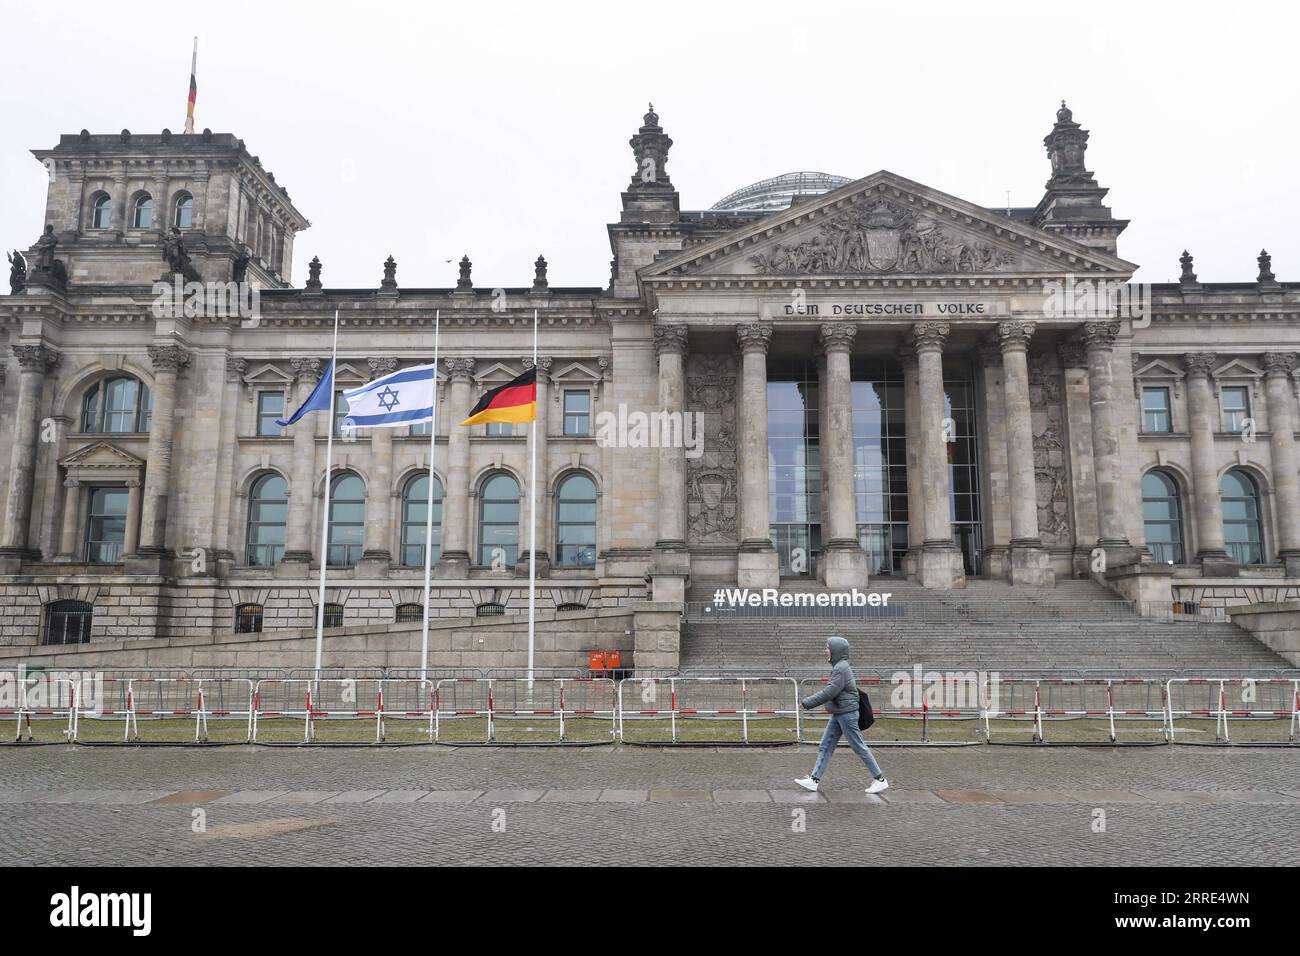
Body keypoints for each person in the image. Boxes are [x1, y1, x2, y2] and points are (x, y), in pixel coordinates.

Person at [795, 635, 889, 794]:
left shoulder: (840, 668)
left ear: (836, 650)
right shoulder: (840, 666)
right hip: (840, 712)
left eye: (827, 648)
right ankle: (814, 780)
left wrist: (806, 703)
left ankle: (880, 779)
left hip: (847, 714)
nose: (825, 651)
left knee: (858, 746)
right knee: (826, 745)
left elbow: (829, 692)